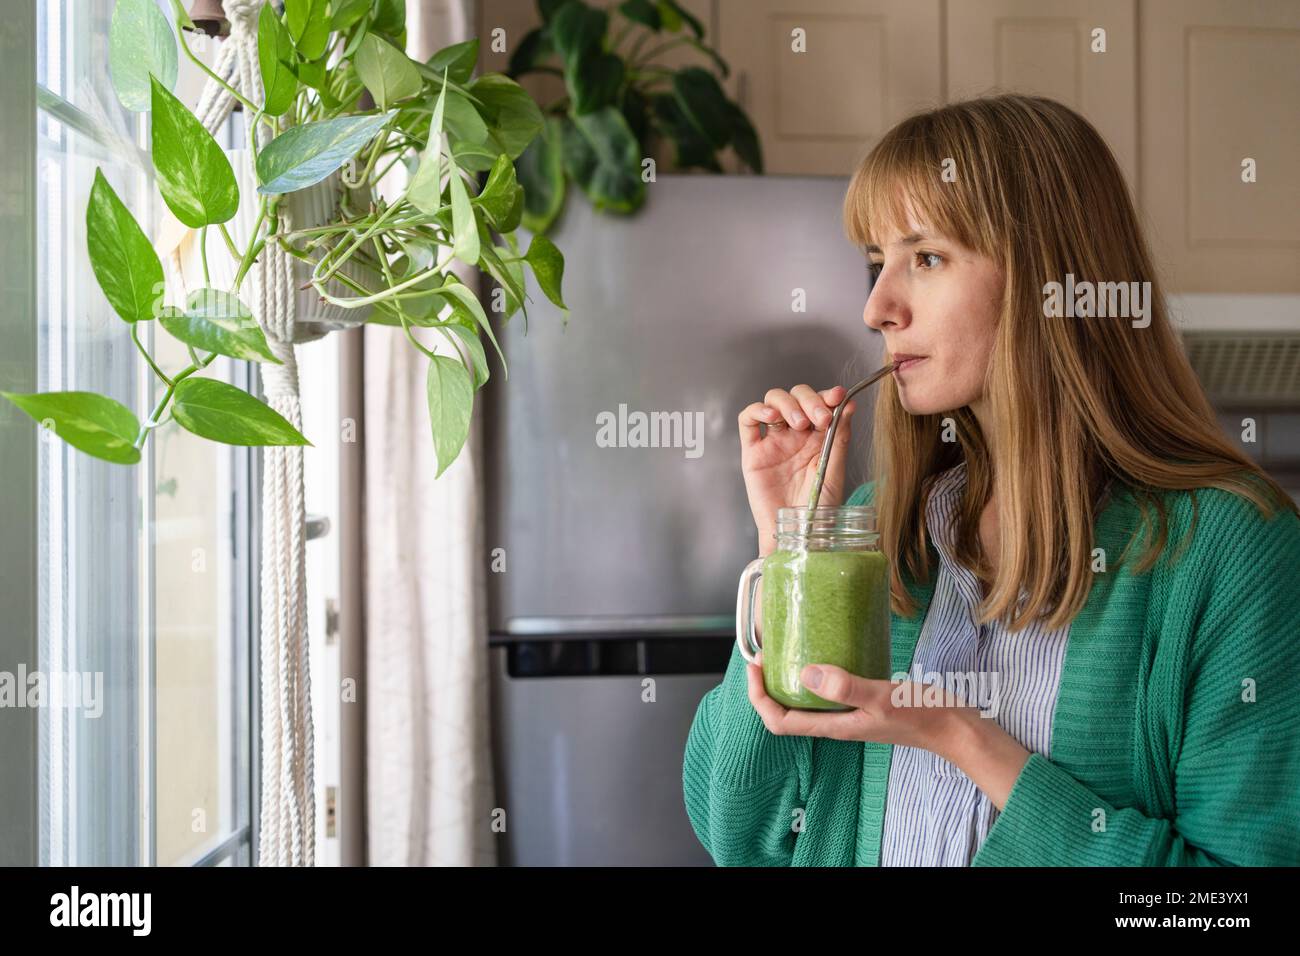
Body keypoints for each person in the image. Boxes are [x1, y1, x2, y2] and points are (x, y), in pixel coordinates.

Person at [683, 93, 1300, 866]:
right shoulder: (879, 534)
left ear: (1052, 279)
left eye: (927, 258)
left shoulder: (1231, 552)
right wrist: (791, 550)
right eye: (877, 264)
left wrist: (960, 737)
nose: (877, 306)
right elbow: (738, 832)